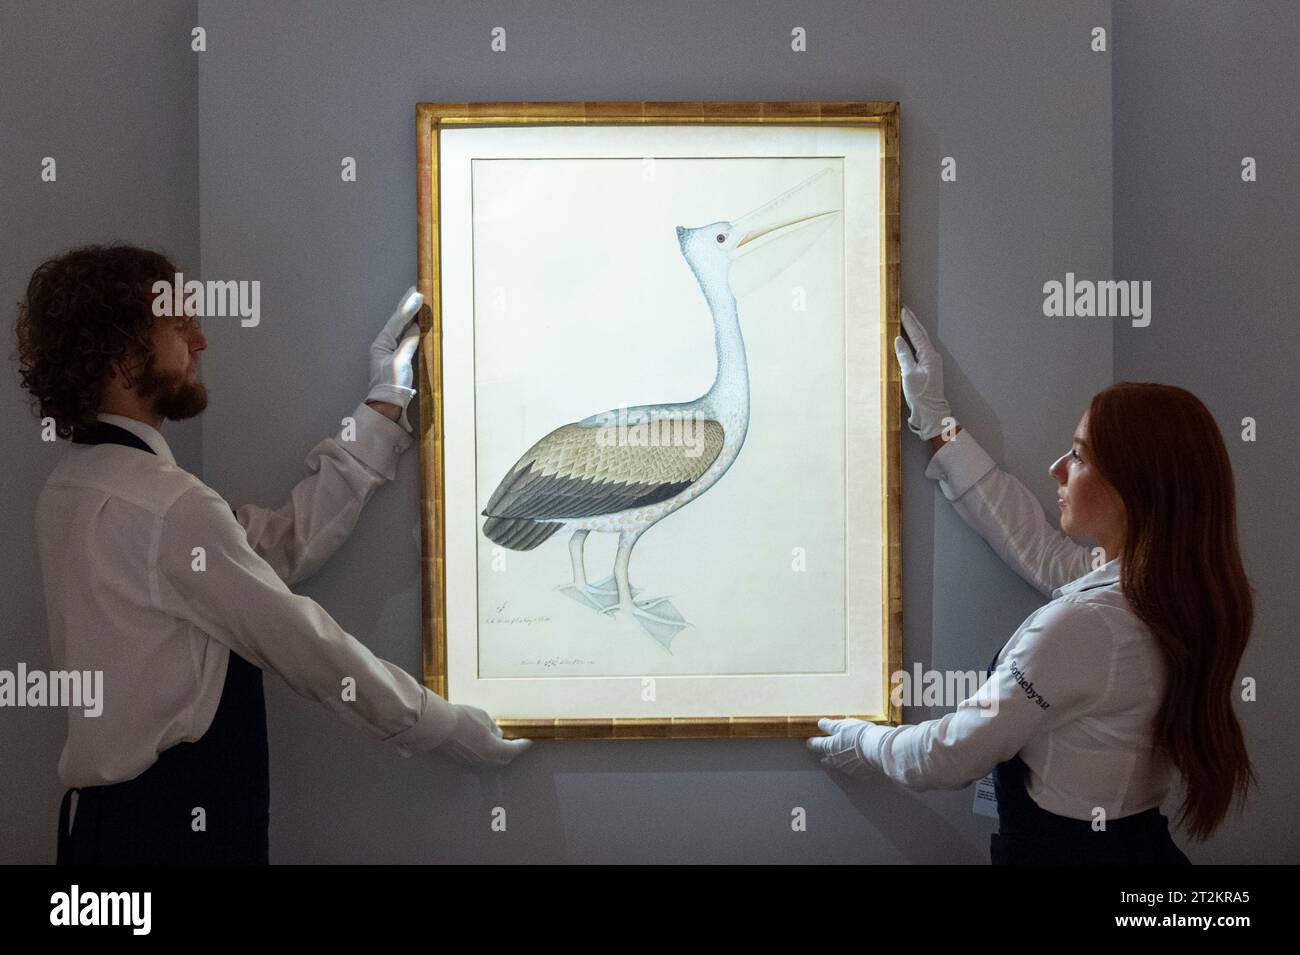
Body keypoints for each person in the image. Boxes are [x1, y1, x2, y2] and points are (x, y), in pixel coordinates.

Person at [15, 243, 530, 865]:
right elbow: (305, 647)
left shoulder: (72, 488)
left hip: (99, 836)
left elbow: (267, 553)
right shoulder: (168, 507)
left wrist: (381, 410)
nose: (200, 342)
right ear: (124, 359)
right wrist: (443, 726)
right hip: (175, 838)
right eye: (179, 326)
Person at [808, 306, 1254, 864]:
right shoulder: (1173, 597)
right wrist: (937, 422)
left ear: (1131, 487)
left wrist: (862, 739)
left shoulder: (1089, 626)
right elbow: (1033, 546)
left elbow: (946, 757)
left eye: (1080, 455)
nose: (1057, 468)